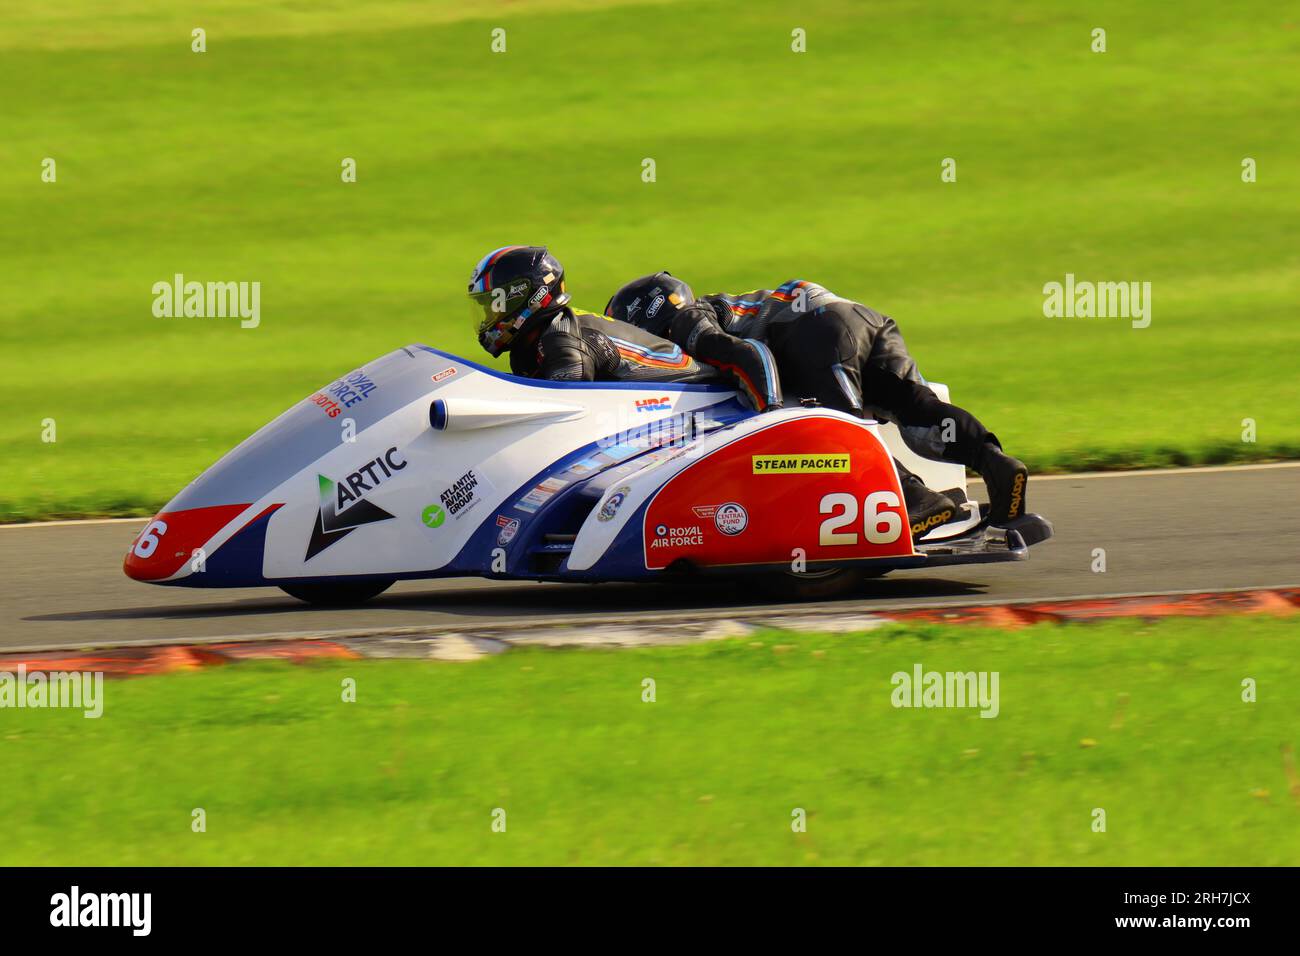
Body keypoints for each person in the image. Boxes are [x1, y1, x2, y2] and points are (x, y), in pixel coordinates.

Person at [605, 273, 1029, 529]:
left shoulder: (687, 320)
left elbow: (753, 357)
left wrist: (768, 425)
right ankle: (996, 464)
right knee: (915, 410)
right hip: (860, 318)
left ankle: (915, 500)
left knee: (834, 429)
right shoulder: (720, 308)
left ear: (648, 317)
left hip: (817, 330)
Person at [467, 246, 779, 409]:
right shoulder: (532, 347)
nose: (489, 318)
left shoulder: (563, 342)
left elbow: (560, 415)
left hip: (703, 403)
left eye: (493, 305)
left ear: (528, 295)